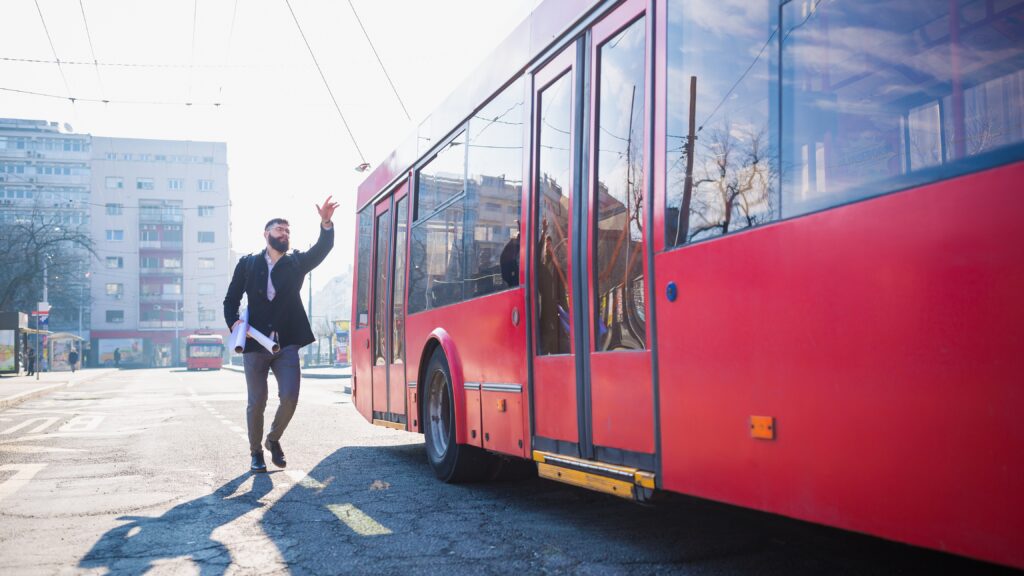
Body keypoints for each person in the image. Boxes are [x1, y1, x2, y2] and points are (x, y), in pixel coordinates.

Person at [223, 196, 337, 473]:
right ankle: (255, 453)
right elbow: (231, 299)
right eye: (278, 230)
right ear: (266, 234)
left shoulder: (296, 262)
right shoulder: (248, 264)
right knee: (257, 401)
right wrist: (235, 325)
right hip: (254, 344)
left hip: (285, 343)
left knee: (290, 397)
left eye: (287, 231)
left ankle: (272, 439)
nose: (284, 234)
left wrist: (325, 223)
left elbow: (322, 249)